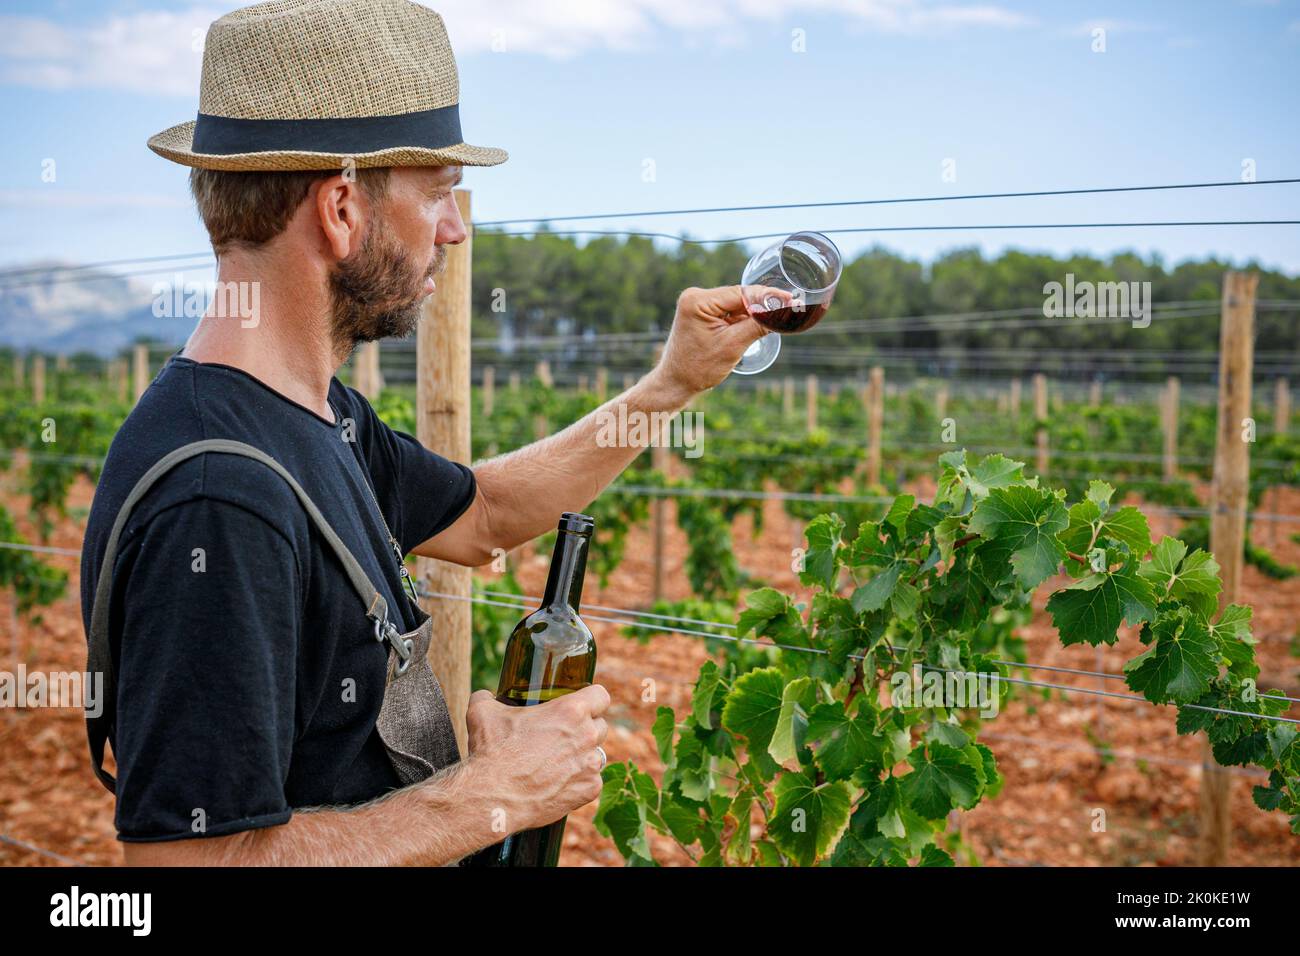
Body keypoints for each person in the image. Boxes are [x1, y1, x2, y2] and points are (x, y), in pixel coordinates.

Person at [80, 0, 766, 866]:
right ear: (340, 210)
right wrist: (493, 794)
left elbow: (486, 513)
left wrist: (671, 385)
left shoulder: (315, 417)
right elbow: (185, 867)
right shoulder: (222, 498)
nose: (456, 228)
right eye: (439, 195)